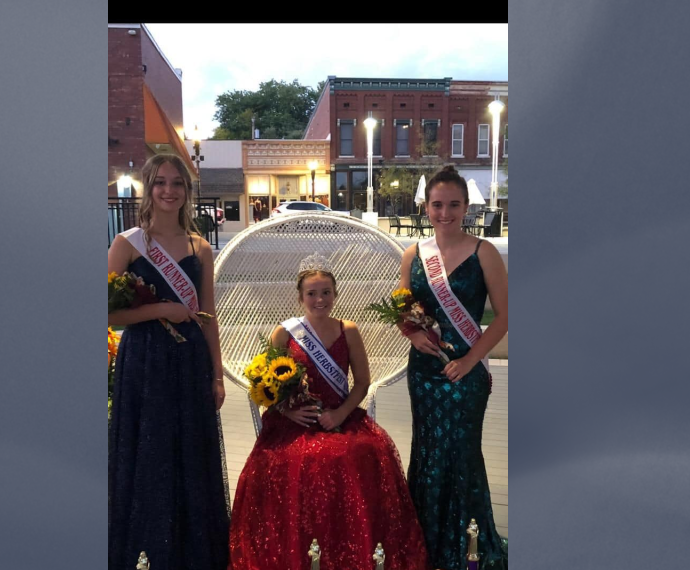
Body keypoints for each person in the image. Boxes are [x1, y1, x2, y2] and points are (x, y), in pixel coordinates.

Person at [229, 255, 428, 570]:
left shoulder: (348, 330)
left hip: (341, 414)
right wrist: (288, 411)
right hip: (294, 420)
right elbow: (264, 385)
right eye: (312, 293)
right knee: (295, 459)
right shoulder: (285, 333)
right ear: (300, 297)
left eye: (326, 293)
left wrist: (339, 414)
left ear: (336, 295)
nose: (319, 299)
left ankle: (356, 548)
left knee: (363, 451)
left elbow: (362, 383)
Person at [107, 153, 229, 570]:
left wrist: (217, 374)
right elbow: (105, 313)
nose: (169, 191)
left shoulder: (199, 248)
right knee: (149, 451)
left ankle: (190, 549)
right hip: (144, 363)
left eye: (177, 183)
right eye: (160, 182)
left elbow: (208, 316)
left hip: (191, 361)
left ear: (187, 191)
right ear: (148, 187)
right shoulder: (127, 244)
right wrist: (160, 310)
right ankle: (146, 549)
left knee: (189, 452)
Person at [398, 165, 509, 569]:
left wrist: (468, 360)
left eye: (454, 205)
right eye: (437, 204)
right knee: (427, 452)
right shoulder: (414, 254)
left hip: (465, 373)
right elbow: (403, 312)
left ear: (466, 207)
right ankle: (423, 540)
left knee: (461, 455)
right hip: (424, 373)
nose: (445, 212)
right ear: (426, 207)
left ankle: (467, 544)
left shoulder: (485, 253)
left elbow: (504, 317)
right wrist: (412, 335)